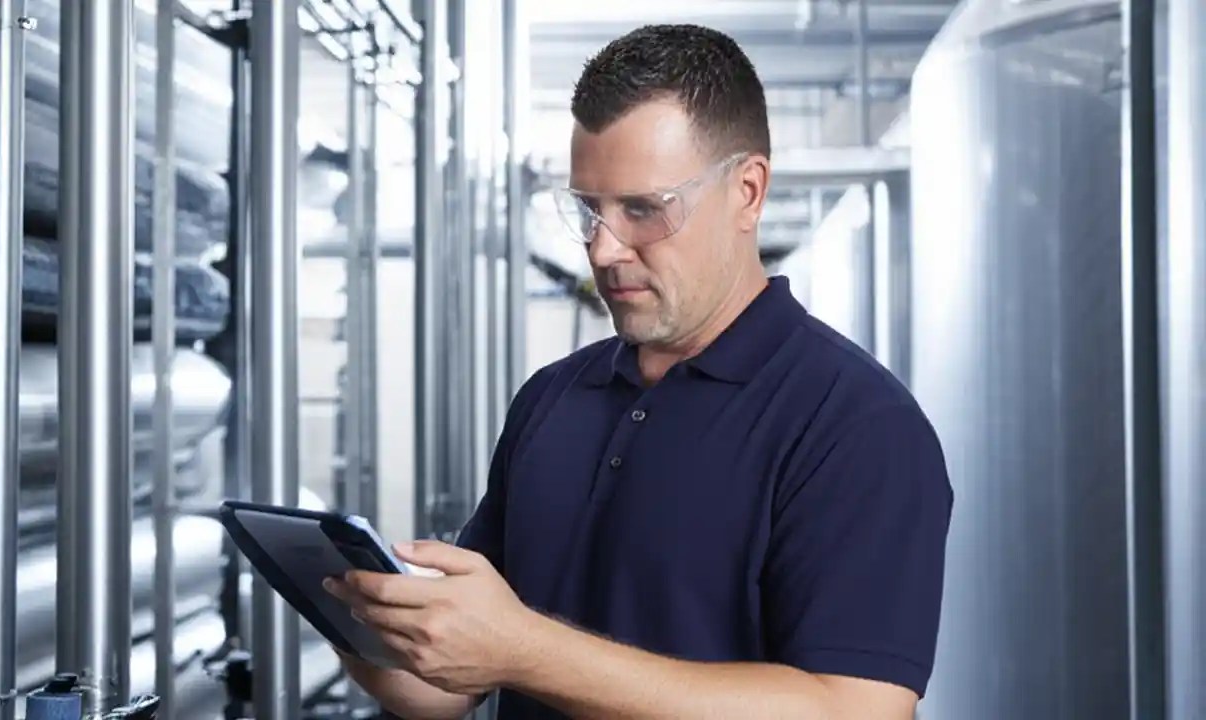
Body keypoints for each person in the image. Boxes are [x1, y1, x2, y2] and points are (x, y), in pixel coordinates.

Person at [323, 23, 953, 720]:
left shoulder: (855, 425)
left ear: (747, 192)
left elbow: (857, 709)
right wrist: (359, 617)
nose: (603, 249)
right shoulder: (552, 398)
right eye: (589, 209)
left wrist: (526, 651)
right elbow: (446, 691)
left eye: (643, 210)